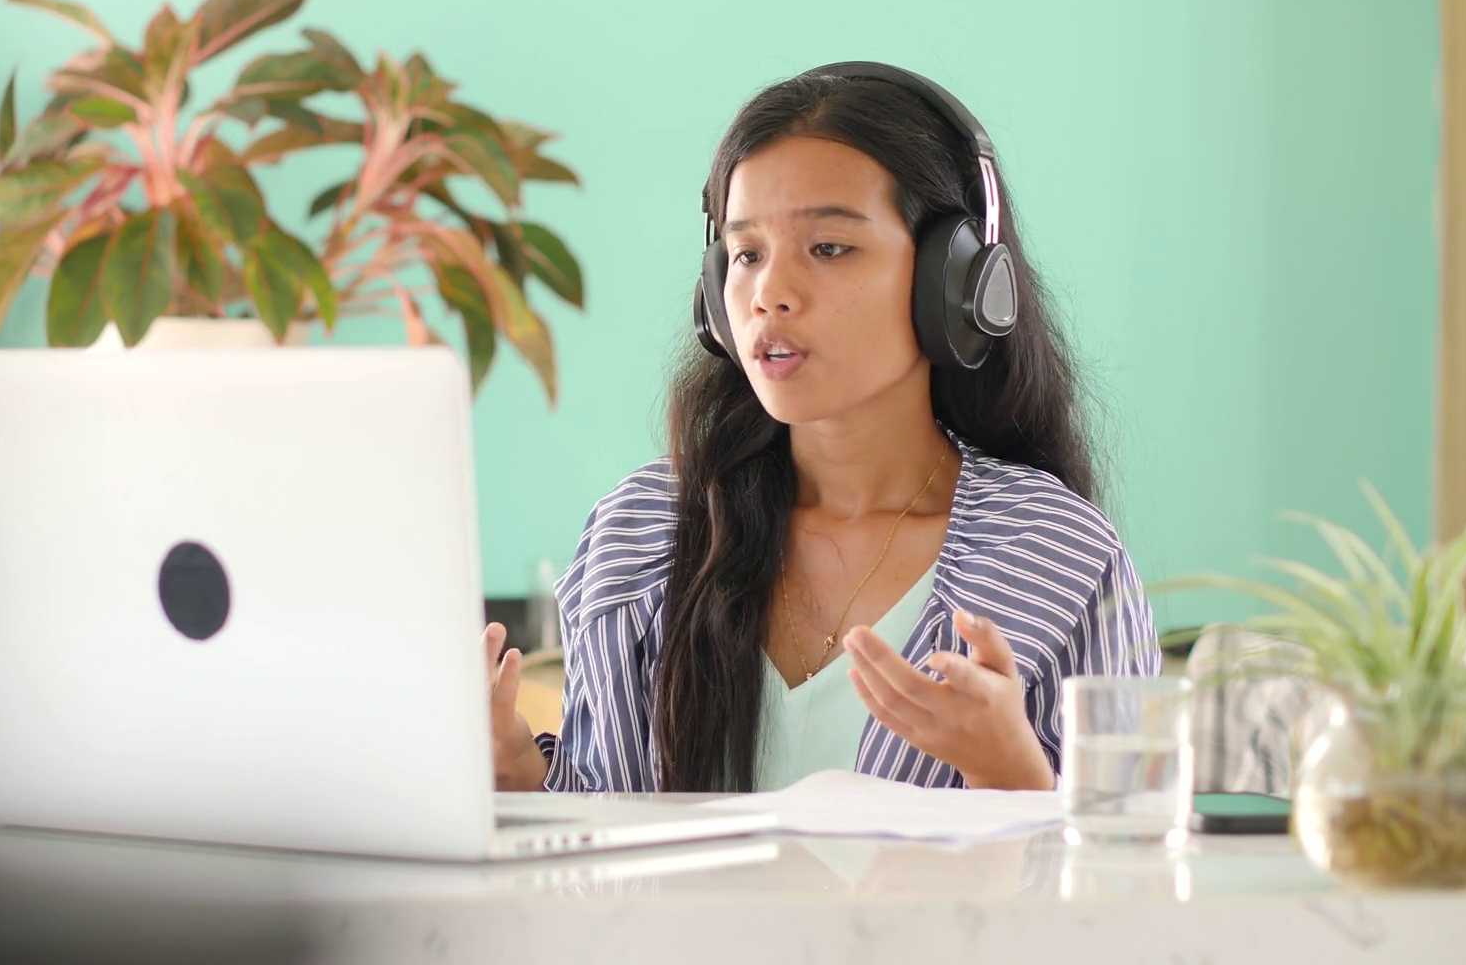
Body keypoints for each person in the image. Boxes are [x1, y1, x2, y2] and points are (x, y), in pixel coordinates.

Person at [485, 63, 1160, 793]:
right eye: (746, 254)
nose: (769, 295)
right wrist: (518, 774)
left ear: (953, 282)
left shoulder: (1056, 557)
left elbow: (1124, 881)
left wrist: (1012, 773)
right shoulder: (643, 532)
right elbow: (596, 859)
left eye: (829, 248)